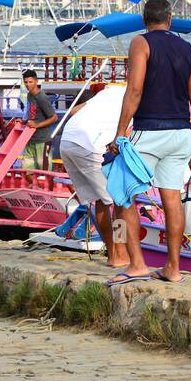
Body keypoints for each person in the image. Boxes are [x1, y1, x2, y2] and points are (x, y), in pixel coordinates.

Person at [107, 0, 191, 283]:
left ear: (144, 19)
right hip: (180, 135)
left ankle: (134, 262)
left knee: (120, 195)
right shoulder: (188, 49)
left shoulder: (140, 43)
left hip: (149, 132)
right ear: (171, 18)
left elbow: (135, 90)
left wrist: (120, 131)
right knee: (172, 199)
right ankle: (173, 268)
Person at [59, 85, 128, 268]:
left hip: (67, 140)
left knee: (101, 200)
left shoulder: (111, 90)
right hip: (87, 143)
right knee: (120, 200)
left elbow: (74, 110)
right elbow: (128, 136)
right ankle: (119, 254)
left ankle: (113, 254)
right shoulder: (137, 97)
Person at [21, 69, 57, 167]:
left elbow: (54, 118)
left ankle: (47, 183)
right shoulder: (29, 95)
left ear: (36, 81)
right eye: (26, 82)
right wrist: (23, 121)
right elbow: (32, 113)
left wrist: (37, 125)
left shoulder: (42, 97)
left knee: (45, 171)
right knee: (26, 170)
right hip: (30, 139)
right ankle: (33, 183)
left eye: (31, 82)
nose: (28, 85)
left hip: (43, 140)